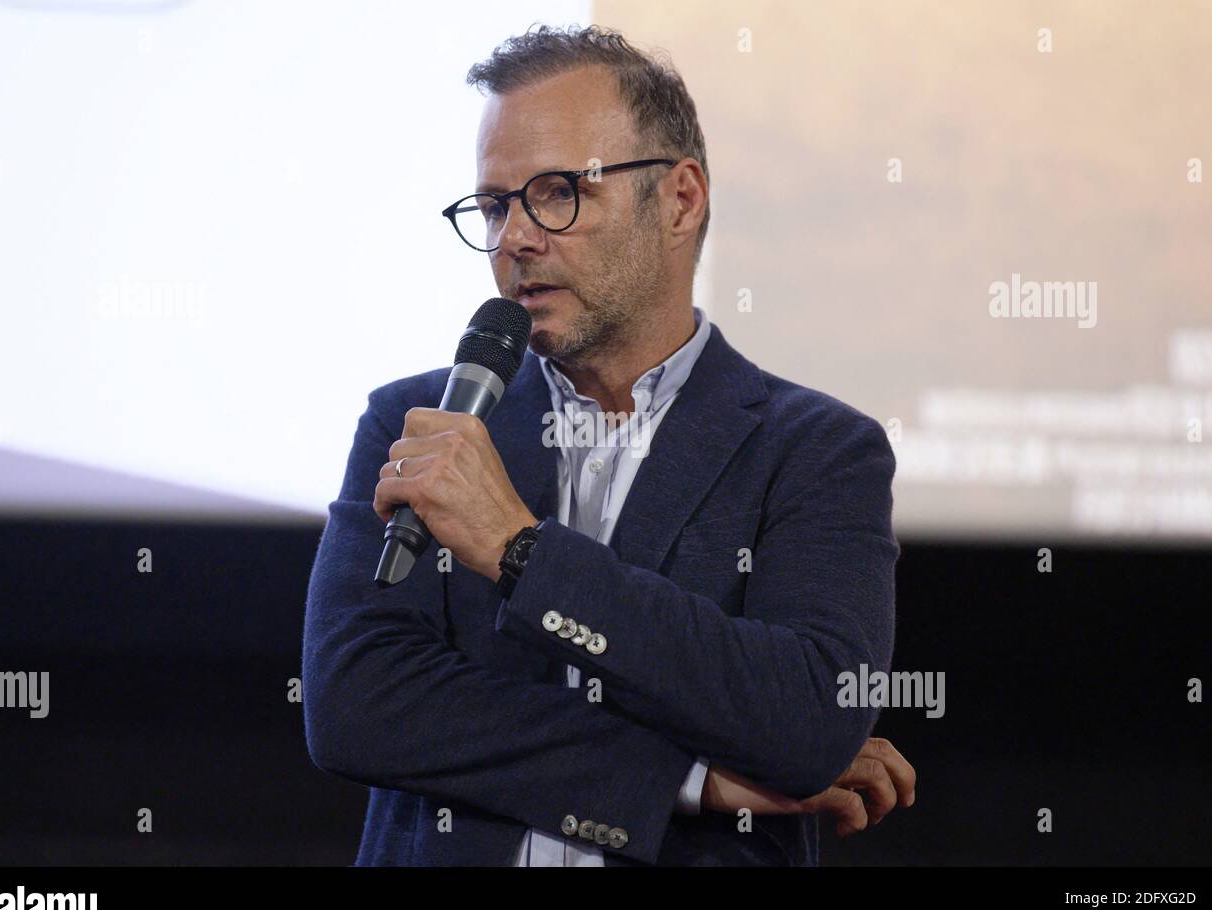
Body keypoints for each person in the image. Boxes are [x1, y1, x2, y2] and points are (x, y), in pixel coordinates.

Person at [303, 24, 915, 866]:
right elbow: (359, 705)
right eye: (493, 205)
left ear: (680, 199)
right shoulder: (418, 426)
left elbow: (806, 719)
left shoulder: (815, 450)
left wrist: (519, 550)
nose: (514, 238)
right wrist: (692, 778)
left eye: (557, 192)